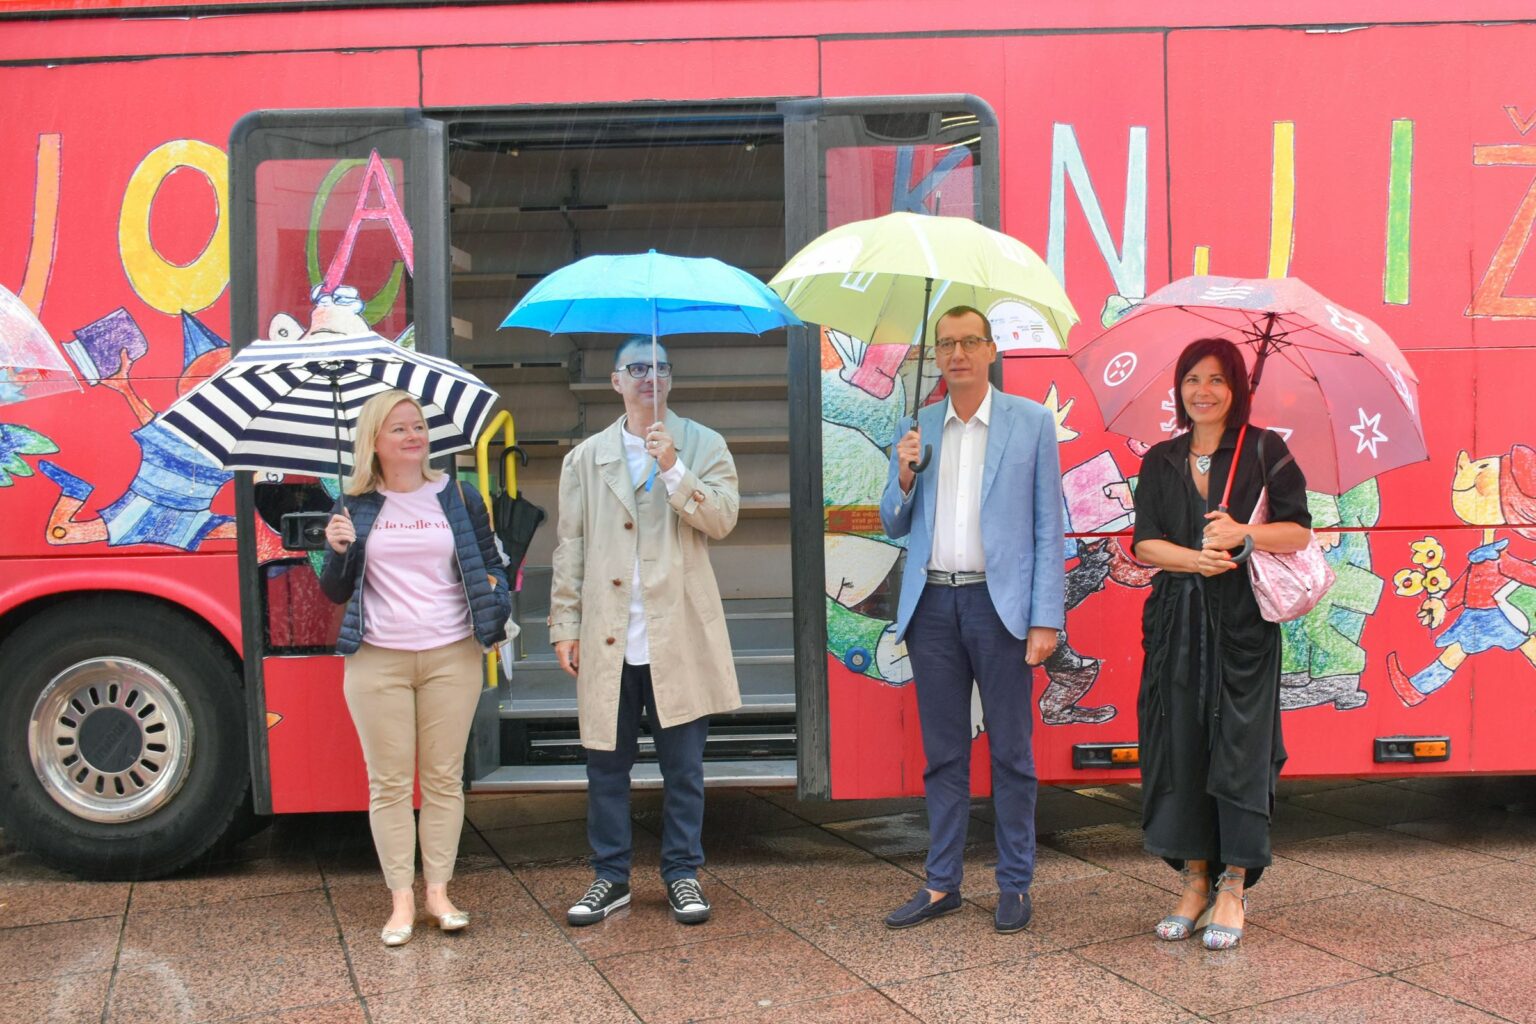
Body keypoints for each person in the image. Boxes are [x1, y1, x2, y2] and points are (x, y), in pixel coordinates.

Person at [878, 305, 1065, 934]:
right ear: (937, 355)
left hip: (1000, 606)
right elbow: (893, 522)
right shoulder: (918, 426)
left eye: (969, 342)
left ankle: (1014, 883)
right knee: (943, 754)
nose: (957, 353)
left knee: (1012, 752)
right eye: (946, 343)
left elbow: (1047, 527)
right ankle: (941, 884)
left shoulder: (1031, 423)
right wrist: (904, 472)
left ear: (991, 350)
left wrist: (1046, 619)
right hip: (932, 605)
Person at [550, 337, 741, 927]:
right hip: (609, 631)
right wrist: (565, 623)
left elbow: (723, 519)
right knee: (606, 763)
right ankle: (611, 878)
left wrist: (673, 468)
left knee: (683, 766)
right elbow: (571, 545)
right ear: (615, 381)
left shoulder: (702, 444)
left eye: (660, 368)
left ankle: (682, 873)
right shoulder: (585, 457)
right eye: (637, 368)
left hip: (676, 630)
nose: (649, 378)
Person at [1131, 337, 1312, 950]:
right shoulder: (1161, 459)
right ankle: (1193, 878)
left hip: (1243, 631)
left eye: (1216, 380)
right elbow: (1144, 544)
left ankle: (1233, 883)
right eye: (1191, 380)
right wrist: (1194, 559)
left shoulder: (1265, 450)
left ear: (1237, 388)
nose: (1202, 391)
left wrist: (1245, 533)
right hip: (1177, 625)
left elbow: (1297, 532)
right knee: (1181, 744)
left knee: (1238, 748)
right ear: (1179, 390)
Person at [320, 389, 510, 947]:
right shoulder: (351, 503)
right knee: (390, 784)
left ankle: (439, 892)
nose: (413, 435)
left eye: (418, 425)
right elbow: (334, 591)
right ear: (374, 442)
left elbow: (490, 560)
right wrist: (335, 551)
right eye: (399, 428)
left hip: (453, 654)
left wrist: (494, 604)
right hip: (378, 661)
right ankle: (401, 899)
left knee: (444, 779)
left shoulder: (458, 496)